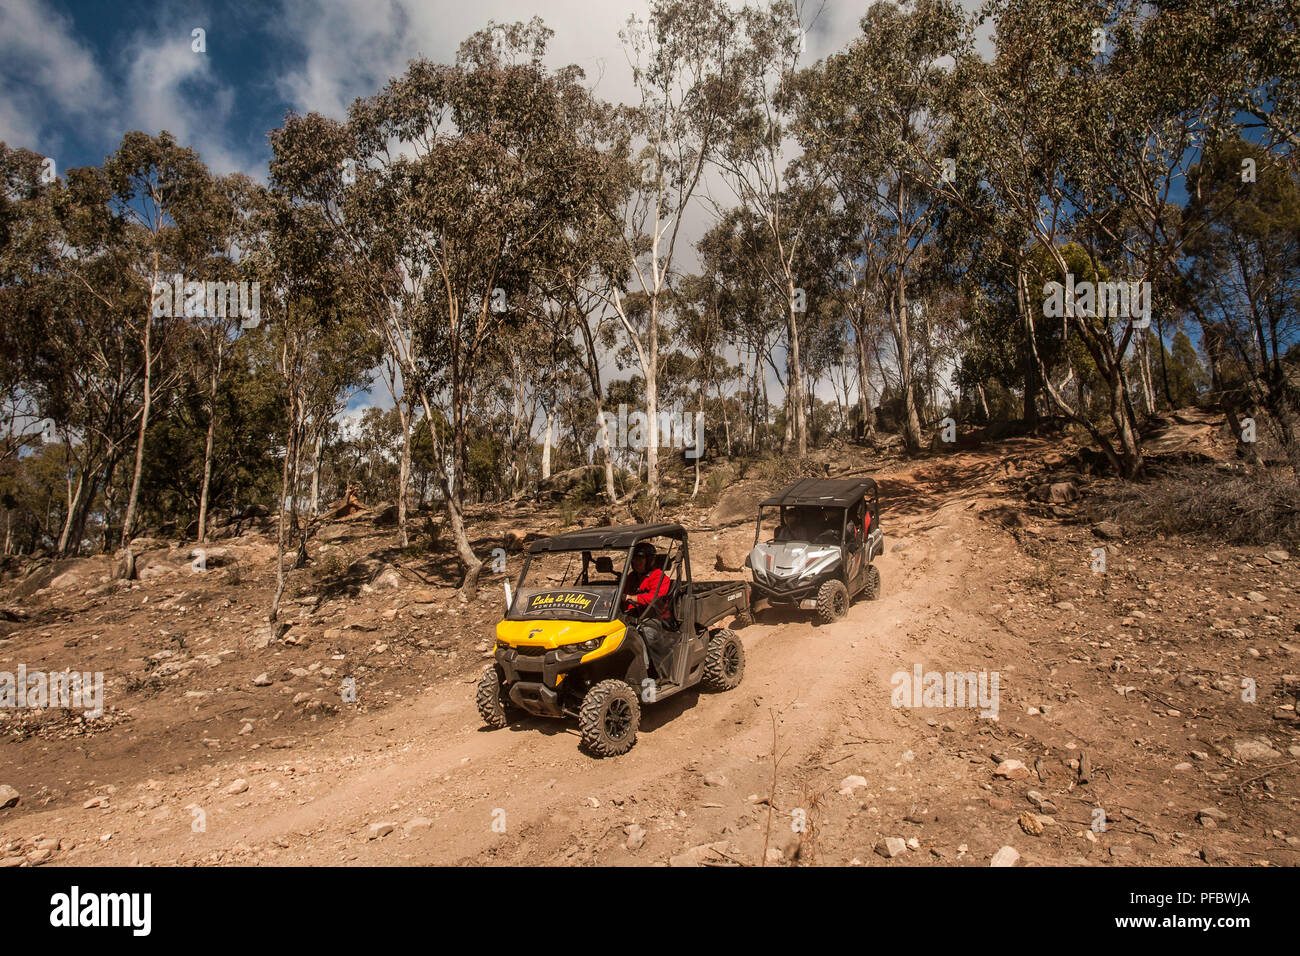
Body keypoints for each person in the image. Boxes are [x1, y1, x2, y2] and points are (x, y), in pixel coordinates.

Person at [624, 541, 670, 616]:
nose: (636, 562)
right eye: (634, 559)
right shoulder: (632, 576)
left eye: (640, 559)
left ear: (650, 560)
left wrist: (631, 598)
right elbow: (623, 594)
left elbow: (655, 599)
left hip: (654, 618)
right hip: (631, 616)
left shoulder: (660, 577)